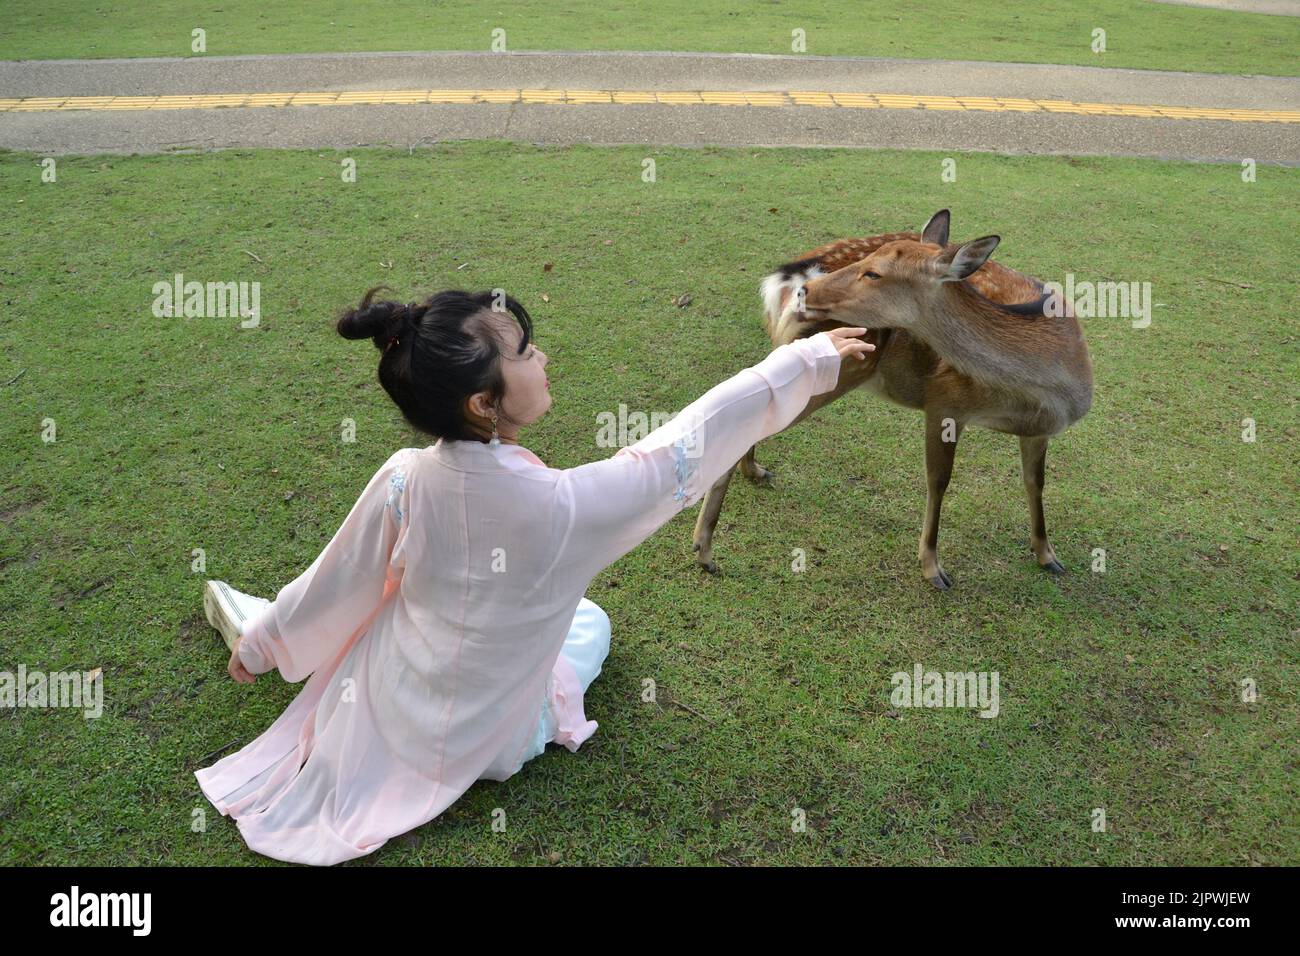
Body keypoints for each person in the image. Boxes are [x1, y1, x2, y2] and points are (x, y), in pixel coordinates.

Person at [194, 286, 872, 865]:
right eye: (523, 352)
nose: (541, 356)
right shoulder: (564, 506)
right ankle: (259, 628)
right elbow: (683, 446)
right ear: (483, 405)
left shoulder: (404, 477)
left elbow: (337, 583)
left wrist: (270, 644)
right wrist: (807, 359)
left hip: (391, 702)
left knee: (383, 610)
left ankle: (259, 630)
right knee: (590, 623)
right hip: (493, 739)